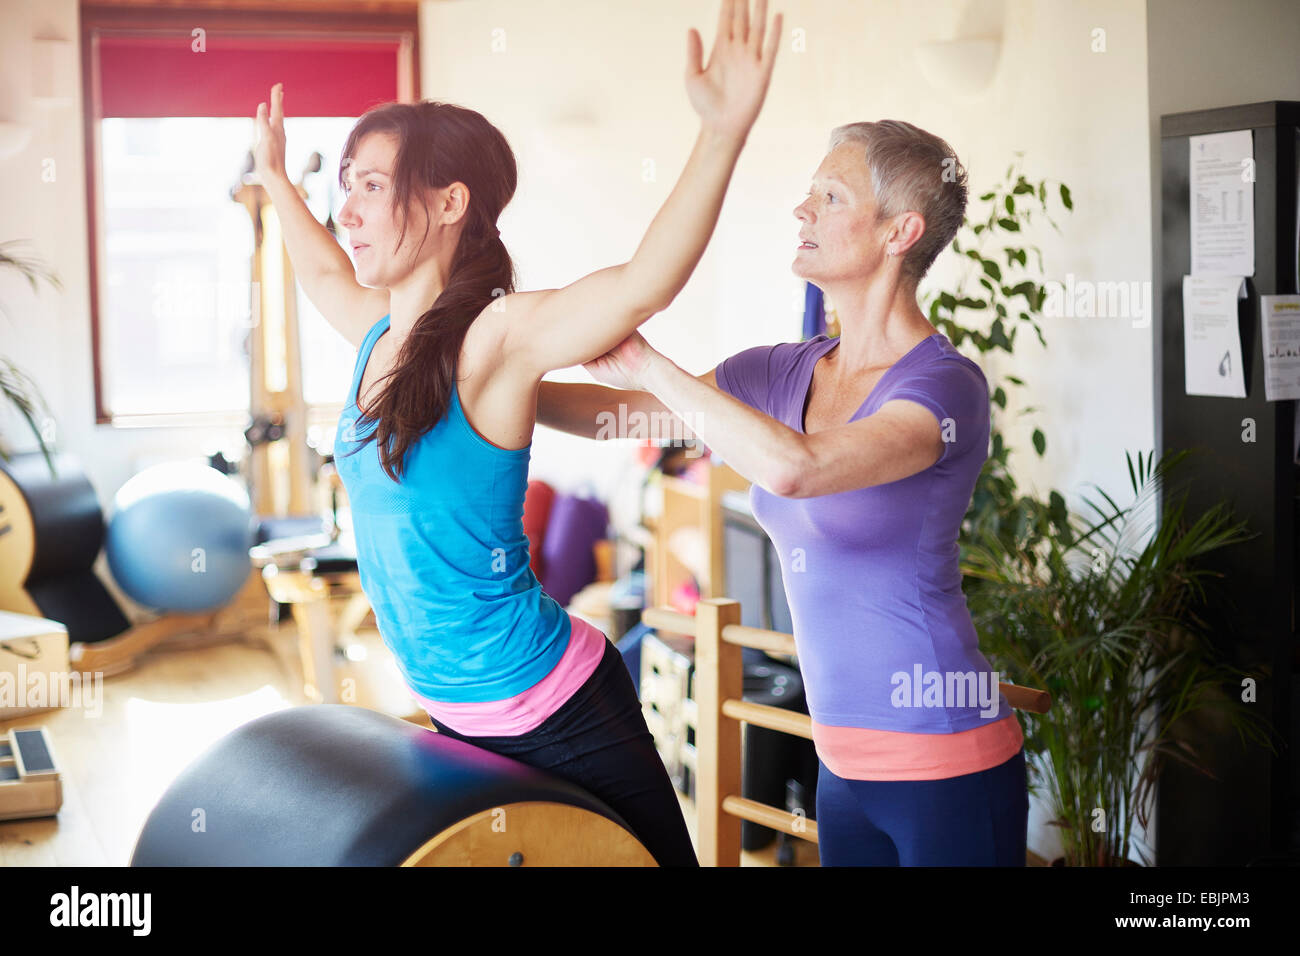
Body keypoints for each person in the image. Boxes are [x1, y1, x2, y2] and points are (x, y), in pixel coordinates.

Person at [251, 0, 783, 868]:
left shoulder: (495, 340)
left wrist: (721, 132)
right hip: (457, 712)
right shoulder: (381, 337)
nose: (347, 209)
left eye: (371, 186)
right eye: (343, 187)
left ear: (450, 200)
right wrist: (275, 179)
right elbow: (315, 263)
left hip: (558, 707)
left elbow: (642, 284)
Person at [539, 119, 1030, 866]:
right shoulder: (780, 372)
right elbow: (622, 417)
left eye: (829, 196)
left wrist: (646, 360)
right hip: (842, 768)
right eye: (808, 194)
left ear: (901, 231)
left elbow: (798, 468)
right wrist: (494, 386)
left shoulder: (944, 387)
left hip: (945, 763)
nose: (802, 211)